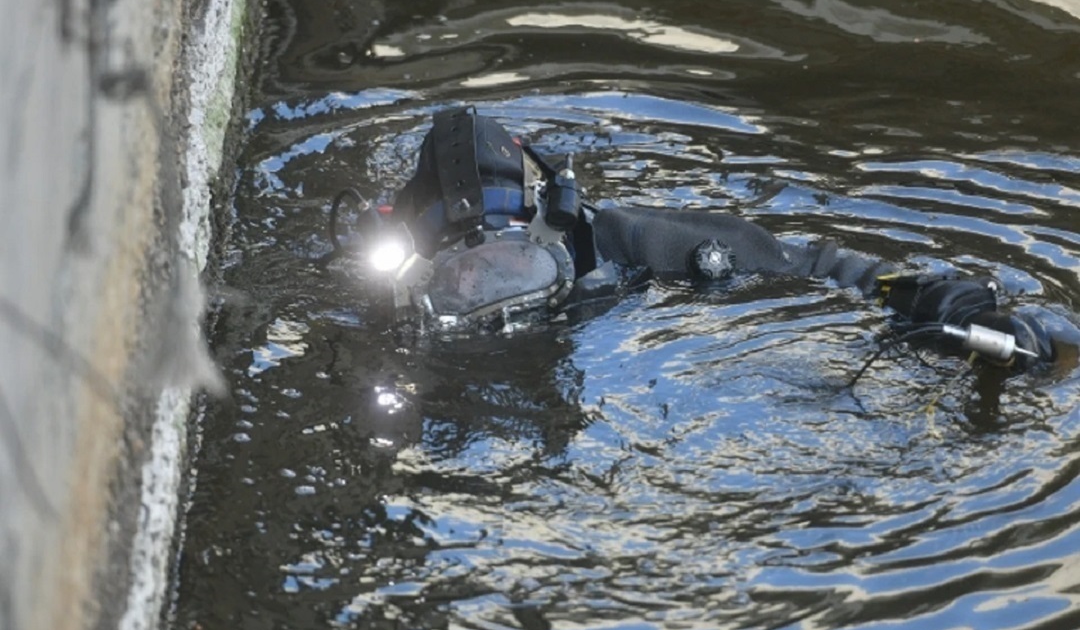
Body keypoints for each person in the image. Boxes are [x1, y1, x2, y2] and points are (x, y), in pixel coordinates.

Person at [332, 106, 1058, 372]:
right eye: (463, 266)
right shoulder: (371, 300)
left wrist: (933, 299)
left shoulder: (621, 243)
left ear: (554, 222)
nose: (485, 280)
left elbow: (814, 266)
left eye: (513, 255)